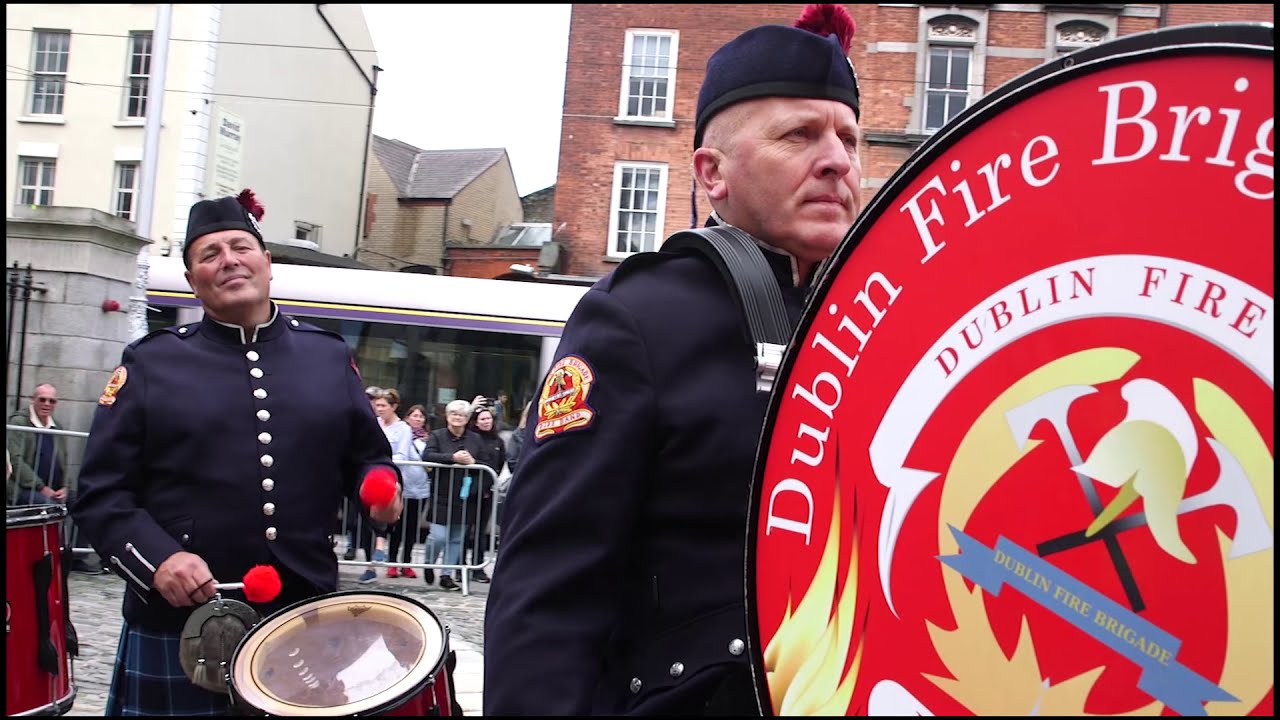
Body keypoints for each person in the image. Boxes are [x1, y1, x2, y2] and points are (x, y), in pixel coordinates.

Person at [483, 4, 863, 714]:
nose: (837, 159)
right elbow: (548, 592)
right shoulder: (637, 318)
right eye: (800, 135)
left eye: (847, 136)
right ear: (711, 174)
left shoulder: (876, 318)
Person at [71, 189, 403, 716]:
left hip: (304, 618)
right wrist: (159, 561)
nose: (228, 260)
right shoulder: (152, 364)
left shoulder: (327, 356)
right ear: (191, 281)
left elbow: (367, 458)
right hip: (185, 630)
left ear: (267, 263)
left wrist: (380, 489)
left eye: (240, 247)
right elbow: (99, 495)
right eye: (210, 254)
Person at [421, 398, 484, 591]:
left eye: (462, 415)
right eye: (454, 414)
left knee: (457, 538)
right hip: (442, 493)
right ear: (447, 417)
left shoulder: (475, 439)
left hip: (465, 495)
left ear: (467, 419)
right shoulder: (438, 436)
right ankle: (429, 562)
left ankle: (446, 575)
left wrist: (473, 461)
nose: (458, 418)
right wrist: (452, 458)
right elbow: (428, 456)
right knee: (438, 536)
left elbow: (485, 461)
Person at [464, 404, 506, 583]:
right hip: (470, 489)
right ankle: (460, 567)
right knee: (465, 530)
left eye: (488, 418)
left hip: (487, 490)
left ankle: (477, 567)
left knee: (480, 532)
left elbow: (497, 464)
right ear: (476, 422)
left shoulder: (498, 441)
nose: (486, 421)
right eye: (482, 419)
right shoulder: (471, 438)